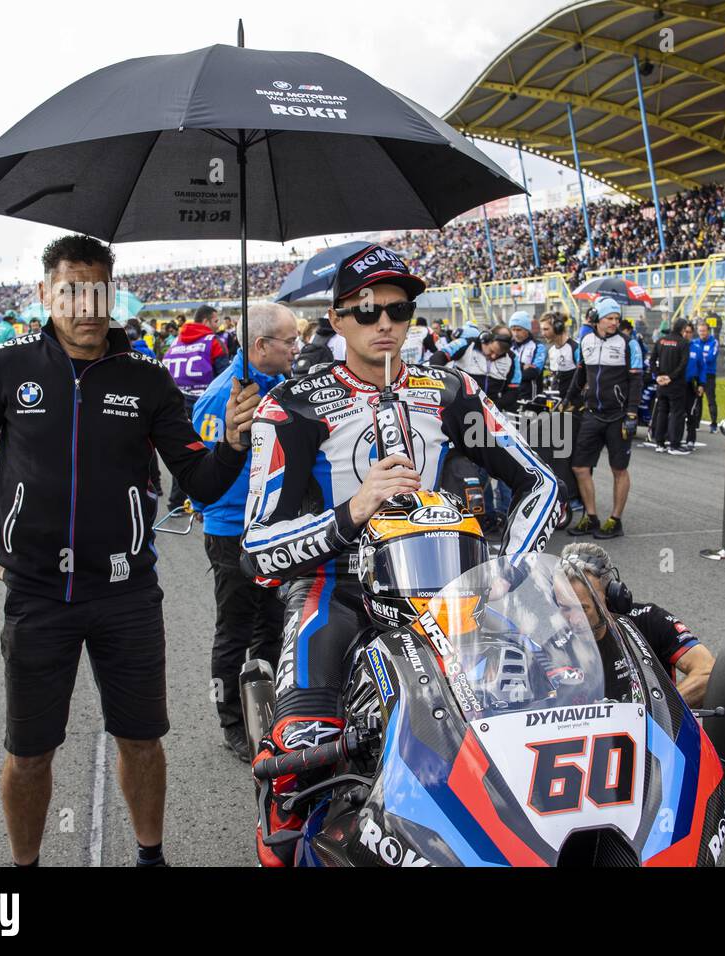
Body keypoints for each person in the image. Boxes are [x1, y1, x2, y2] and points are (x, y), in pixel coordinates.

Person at [240, 243, 557, 866]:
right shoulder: (290, 405)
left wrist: (507, 570)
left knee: (535, 709)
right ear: (336, 319)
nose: (384, 321)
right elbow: (256, 549)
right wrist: (353, 510)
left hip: (449, 586)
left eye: (398, 308)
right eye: (365, 309)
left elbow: (541, 482)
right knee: (299, 755)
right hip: (338, 587)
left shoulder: (453, 388)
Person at [0, 234, 261, 867]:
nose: (86, 304)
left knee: (143, 740)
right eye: (71, 289)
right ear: (46, 293)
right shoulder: (1, 368)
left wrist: (233, 442)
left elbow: (198, 483)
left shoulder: (146, 378)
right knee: (28, 751)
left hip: (126, 592)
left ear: (112, 295)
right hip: (37, 594)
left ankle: (151, 858)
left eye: (98, 289)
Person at [190, 304, 295, 762]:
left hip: (272, 529)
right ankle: (232, 722)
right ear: (260, 346)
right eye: (289, 341)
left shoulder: (275, 386)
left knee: (272, 626)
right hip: (232, 530)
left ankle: (268, 712)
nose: (296, 347)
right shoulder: (220, 398)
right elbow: (205, 478)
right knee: (233, 632)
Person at [560, 543, 716, 706]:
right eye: (564, 607)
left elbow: (707, 671)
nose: (573, 619)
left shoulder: (650, 620)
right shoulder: (552, 646)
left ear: (611, 596)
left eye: (582, 609)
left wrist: (661, 712)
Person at [564, 296, 643, 539]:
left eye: (617, 318)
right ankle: (592, 516)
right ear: (597, 318)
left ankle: (615, 520)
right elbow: (580, 376)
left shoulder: (629, 344)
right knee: (579, 466)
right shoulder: (585, 341)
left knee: (618, 469)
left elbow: (636, 380)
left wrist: (632, 413)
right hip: (592, 413)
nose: (614, 322)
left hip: (618, 416)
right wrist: (568, 400)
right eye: (609, 318)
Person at [161, 310, 232, 511]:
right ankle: (205, 502)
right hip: (205, 404)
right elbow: (225, 377)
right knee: (210, 452)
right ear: (206, 321)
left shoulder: (175, 341)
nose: (218, 325)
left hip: (176, 403)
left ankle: (176, 501)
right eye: (216, 320)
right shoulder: (213, 341)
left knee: (182, 454)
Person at [649, 318, 692, 455]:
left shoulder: (660, 341)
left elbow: (651, 360)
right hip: (676, 384)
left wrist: (657, 376)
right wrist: (671, 377)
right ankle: (674, 445)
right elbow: (683, 364)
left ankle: (659, 443)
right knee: (677, 414)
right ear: (682, 328)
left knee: (662, 412)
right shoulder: (683, 343)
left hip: (662, 383)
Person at [509, 312, 546, 402]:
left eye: (519, 330)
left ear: (527, 330)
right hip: (511, 395)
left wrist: (512, 370)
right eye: (513, 330)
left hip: (530, 396)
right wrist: (522, 366)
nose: (515, 333)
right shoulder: (508, 346)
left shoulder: (538, 347)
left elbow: (533, 373)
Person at [540, 311, 577, 396]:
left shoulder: (574, 349)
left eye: (546, 329)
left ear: (558, 328)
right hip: (555, 403)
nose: (543, 334)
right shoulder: (551, 350)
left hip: (572, 404)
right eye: (542, 329)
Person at [696, 319, 720, 433]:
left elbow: (711, 358)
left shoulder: (714, 342)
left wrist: (699, 359)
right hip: (697, 375)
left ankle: (714, 424)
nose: (702, 333)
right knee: (697, 399)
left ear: (708, 331)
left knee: (711, 400)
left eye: (704, 331)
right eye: (700, 331)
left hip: (709, 375)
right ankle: (695, 423)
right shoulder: (695, 342)